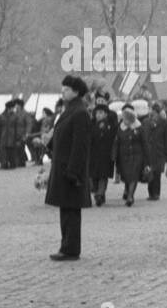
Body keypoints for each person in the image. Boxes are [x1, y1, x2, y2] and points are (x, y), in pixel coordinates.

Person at [46, 76, 92, 260]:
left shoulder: (80, 112)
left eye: (66, 89)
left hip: (71, 171)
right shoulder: (70, 110)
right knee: (65, 210)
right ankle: (66, 245)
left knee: (71, 212)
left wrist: (73, 171)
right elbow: (63, 137)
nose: (63, 91)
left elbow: (80, 145)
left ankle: (71, 249)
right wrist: (49, 145)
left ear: (76, 91)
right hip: (63, 167)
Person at [113, 104, 147, 206]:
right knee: (126, 176)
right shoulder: (120, 128)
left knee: (134, 176)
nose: (125, 120)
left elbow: (144, 143)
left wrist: (147, 160)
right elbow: (117, 142)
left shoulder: (139, 127)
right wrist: (114, 155)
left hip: (137, 156)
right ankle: (127, 191)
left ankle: (130, 196)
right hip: (123, 156)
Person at [142, 103, 167, 201]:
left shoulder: (165, 123)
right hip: (148, 151)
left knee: (157, 173)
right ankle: (151, 192)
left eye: (155, 112)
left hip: (159, 151)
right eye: (151, 111)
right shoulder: (146, 122)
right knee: (149, 171)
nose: (152, 113)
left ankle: (156, 193)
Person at [88, 106, 117, 206]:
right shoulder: (91, 125)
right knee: (94, 177)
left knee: (103, 177)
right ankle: (99, 194)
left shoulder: (111, 125)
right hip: (93, 155)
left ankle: (100, 194)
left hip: (105, 155)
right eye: (97, 113)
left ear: (105, 114)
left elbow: (114, 139)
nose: (98, 115)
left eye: (101, 113)